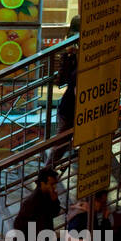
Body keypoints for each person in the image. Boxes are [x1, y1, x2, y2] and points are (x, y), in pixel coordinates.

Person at [46, 16, 80, 172]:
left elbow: (63, 79)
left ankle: (49, 169)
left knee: (62, 142)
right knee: (61, 144)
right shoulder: (74, 51)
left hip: (68, 107)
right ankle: (47, 171)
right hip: (70, 108)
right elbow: (66, 80)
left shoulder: (72, 48)